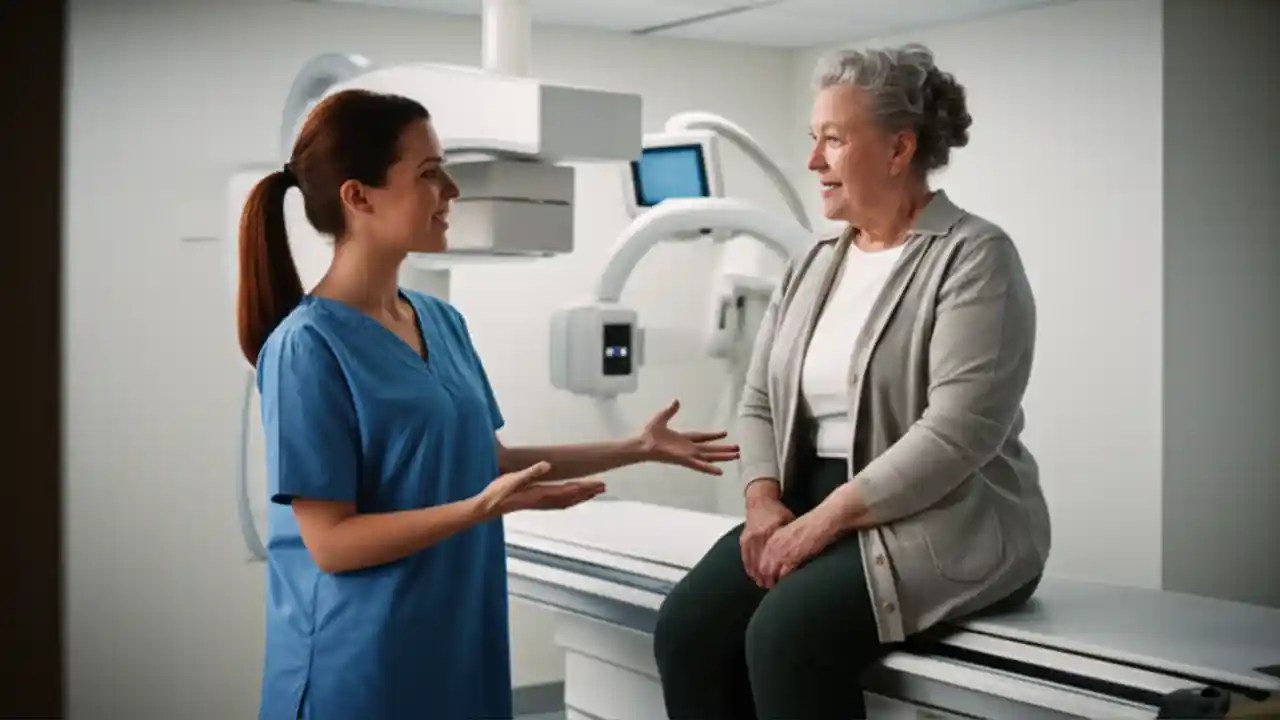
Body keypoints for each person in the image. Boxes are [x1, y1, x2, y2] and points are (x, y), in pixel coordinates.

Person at [236, 88, 741, 720]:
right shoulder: (307, 347)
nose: (450, 189)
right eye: (428, 173)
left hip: (457, 638)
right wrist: (477, 510)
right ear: (358, 197)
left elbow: (491, 459)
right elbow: (332, 544)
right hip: (360, 661)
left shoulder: (440, 321)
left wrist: (635, 449)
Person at [652, 43, 1052, 718]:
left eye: (833, 141)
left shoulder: (974, 257)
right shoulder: (811, 263)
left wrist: (817, 528)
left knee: (785, 635)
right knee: (687, 632)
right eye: (815, 140)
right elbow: (759, 400)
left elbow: (958, 434)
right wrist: (761, 501)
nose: (813, 162)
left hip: (943, 512)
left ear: (899, 149)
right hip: (811, 497)